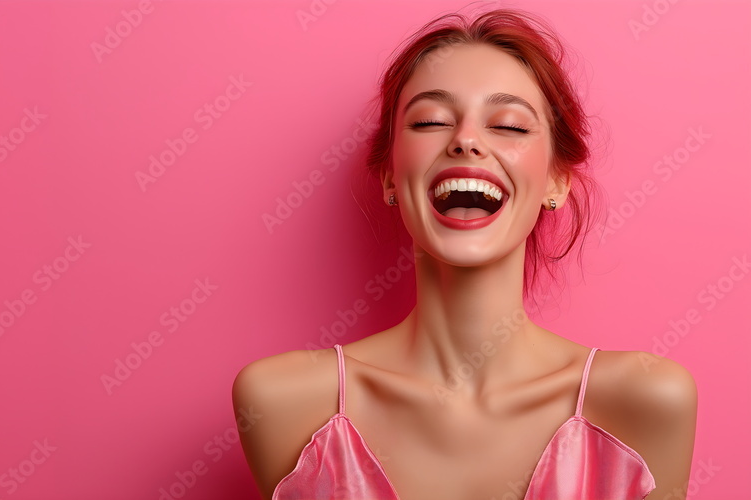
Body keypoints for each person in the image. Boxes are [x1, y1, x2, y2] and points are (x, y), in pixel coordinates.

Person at [232, 7, 697, 500]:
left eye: (511, 126)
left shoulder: (644, 401)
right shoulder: (284, 403)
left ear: (556, 180)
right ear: (391, 176)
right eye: (431, 120)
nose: (466, 140)